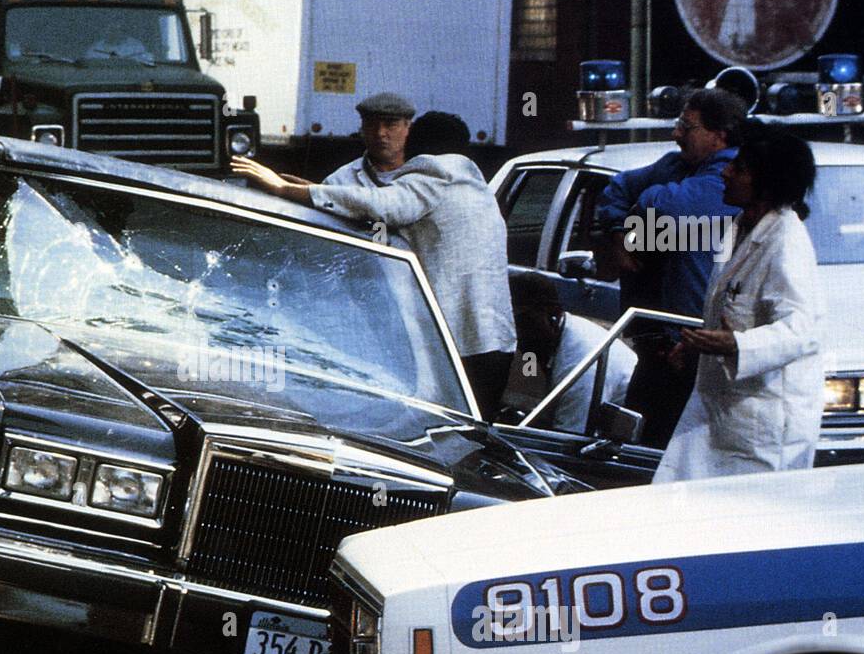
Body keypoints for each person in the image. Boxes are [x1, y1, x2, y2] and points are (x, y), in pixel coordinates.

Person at [232, 99, 516, 420]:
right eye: (373, 124)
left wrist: (285, 189)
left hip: (458, 344)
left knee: (440, 430)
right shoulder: (473, 185)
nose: (383, 135)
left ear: (414, 140)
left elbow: (384, 205)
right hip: (495, 338)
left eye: (393, 126)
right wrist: (314, 191)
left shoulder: (434, 173)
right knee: (478, 431)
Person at [653, 130, 824, 482]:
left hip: (763, 424)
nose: (726, 173)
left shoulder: (786, 243)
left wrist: (735, 345)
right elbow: (732, 302)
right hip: (721, 410)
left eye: (740, 168)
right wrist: (697, 345)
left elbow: (803, 330)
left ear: (767, 183)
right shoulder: (741, 227)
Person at [595, 87, 746, 447]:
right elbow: (617, 188)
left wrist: (645, 201)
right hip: (660, 340)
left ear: (718, 135)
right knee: (636, 444)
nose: (676, 134)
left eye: (687, 127)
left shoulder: (734, 173)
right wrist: (619, 230)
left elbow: (672, 208)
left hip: (701, 344)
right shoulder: (674, 167)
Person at [510, 272, 637, 434]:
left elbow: (569, 440)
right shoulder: (537, 346)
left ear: (553, 314)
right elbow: (528, 396)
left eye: (522, 320)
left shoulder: (581, 363)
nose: (514, 330)